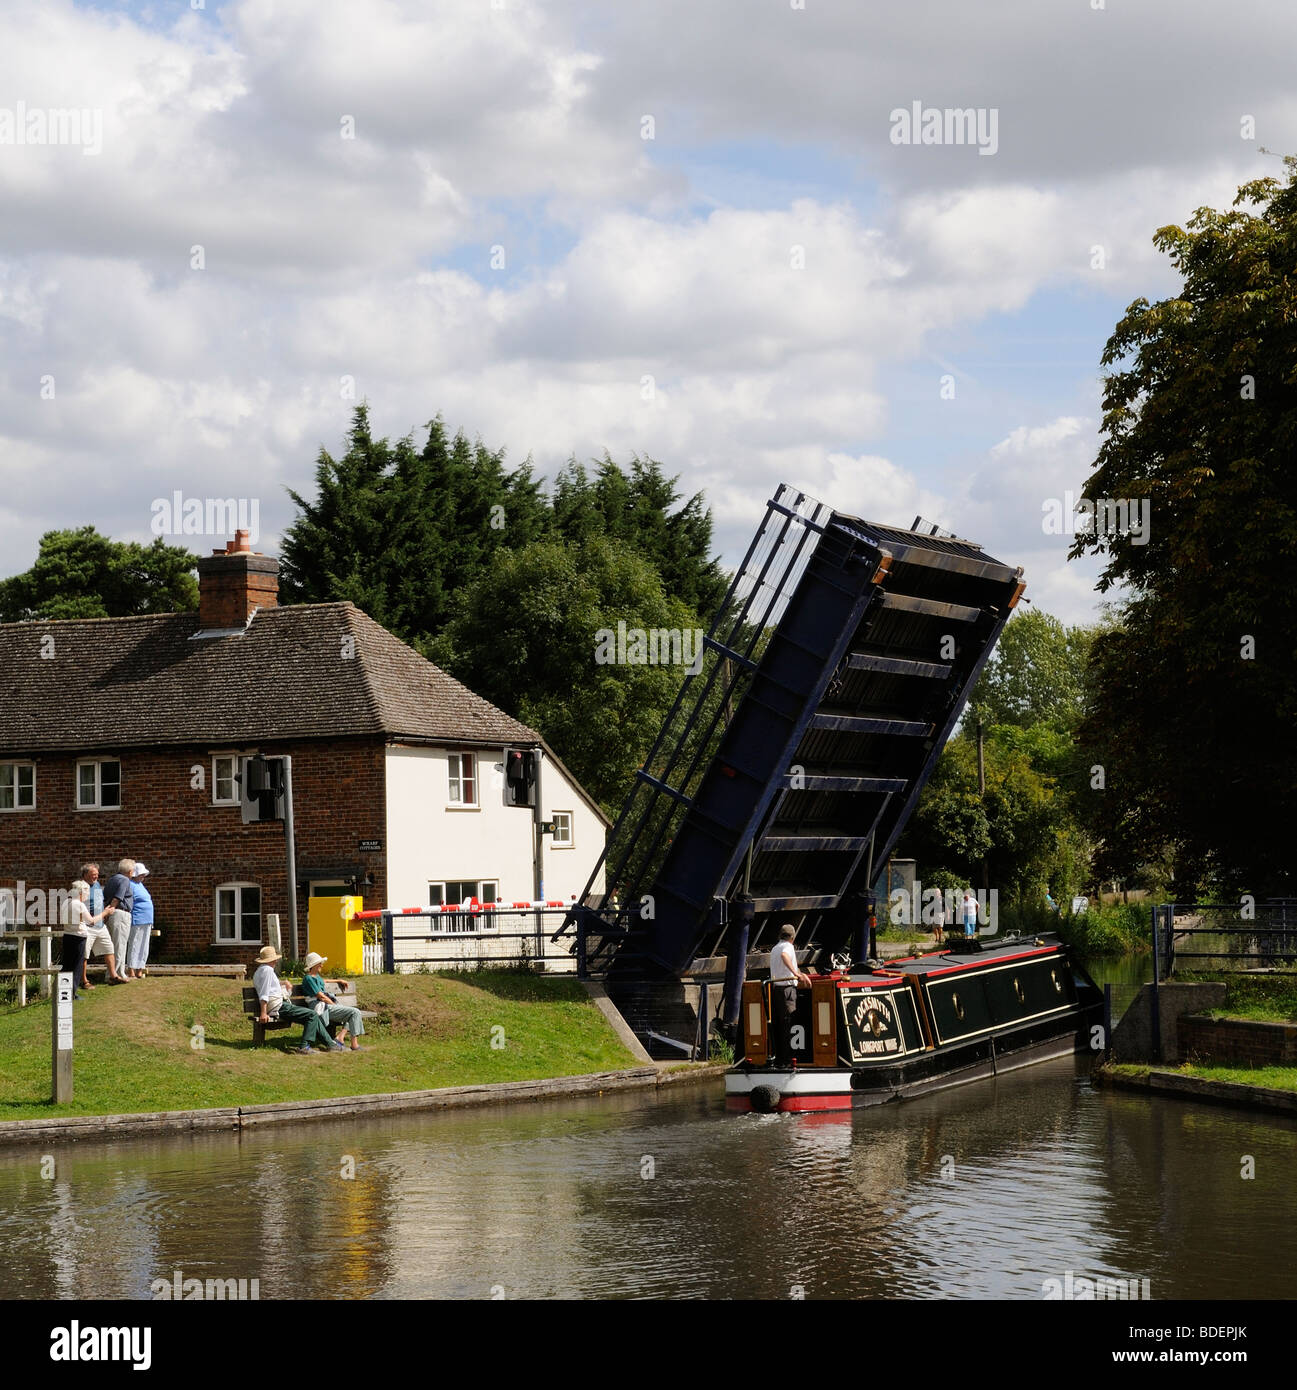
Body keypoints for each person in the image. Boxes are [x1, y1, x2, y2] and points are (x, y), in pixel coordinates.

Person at [252, 945, 334, 1054]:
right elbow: (264, 993)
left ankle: (331, 1044)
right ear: (271, 960)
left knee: (310, 1016)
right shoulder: (267, 970)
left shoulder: (260, 970)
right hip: (279, 1007)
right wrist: (263, 1013)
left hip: (278, 1005)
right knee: (312, 1015)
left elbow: (269, 986)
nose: (276, 961)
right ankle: (304, 1047)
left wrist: (283, 983)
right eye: (275, 959)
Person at [300, 952, 366, 1051]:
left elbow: (324, 981)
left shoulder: (316, 976)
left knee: (353, 1013)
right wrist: (334, 1005)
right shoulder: (308, 979)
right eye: (320, 963)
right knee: (354, 1012)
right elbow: (321, 996)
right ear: (313, 965)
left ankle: (341, 1037)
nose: (322, 965)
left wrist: (339, 980)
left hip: (326, 1006)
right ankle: (354, 1044)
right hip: (320, 1007)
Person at [768, 923, 811, 1069]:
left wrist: (801, 973)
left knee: (779, 1024)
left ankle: (779, 1058)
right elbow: (785, 956)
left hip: (775, 989)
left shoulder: (774, 948)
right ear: (792, 937)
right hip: (787, 990)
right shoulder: (788, 947)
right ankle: (787, 1060)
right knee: (789, 1023)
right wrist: (796, 973)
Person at [60, 879, 111, 999]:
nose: (87, 896)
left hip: (67, 936)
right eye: (87, 893)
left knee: (67, 965)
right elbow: (91, 921)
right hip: (78, 938)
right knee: (76, 966)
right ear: (81, 893)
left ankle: (62, 992)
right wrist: (105, 913)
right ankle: (72, 993)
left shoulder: (65, 903)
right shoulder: (79, 904)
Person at [101, 858, 135, 982]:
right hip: (120, 913)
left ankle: (111, 973)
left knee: (113, 946)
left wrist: (106, 914)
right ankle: (118, 974)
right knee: (120, 945)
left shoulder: (112, 879)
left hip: (112, 914)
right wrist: (111, 910)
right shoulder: (125, 880)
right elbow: (117, 898)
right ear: (130, 871)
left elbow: (106, 897)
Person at [125, 862, 154, 979]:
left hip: (147, 919)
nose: (143, 877)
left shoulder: (141, 885)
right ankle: (131, 970)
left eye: (143, 875)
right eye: (141, 874)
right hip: (137, 918)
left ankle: (140, 969)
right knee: (135, 944)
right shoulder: (130, 884)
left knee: (144, 945)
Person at [79, 863, 104, 990]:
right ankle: (83, 980)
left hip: (100, 924)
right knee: (84, 954)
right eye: (92, 875)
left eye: (97, 874)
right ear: (84, 875)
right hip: (87, 925)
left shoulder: (98, 884)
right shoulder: (81, 887)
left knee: (109, 950)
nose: (95, 877)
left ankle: (113, 975)